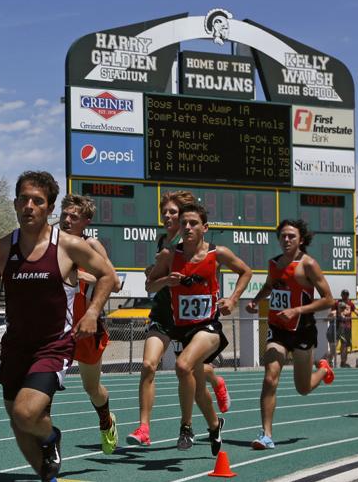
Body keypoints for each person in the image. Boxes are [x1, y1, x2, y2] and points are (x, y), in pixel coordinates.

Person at [0, 171, 117, 482]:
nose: (29, 206)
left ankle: (52, 436)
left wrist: (92, 312)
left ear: (49, 208)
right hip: (15, 346)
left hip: (53, 344)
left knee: (25, 413)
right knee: (19, 423)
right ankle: (48, 481)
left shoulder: (67, 245)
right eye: (24, 199)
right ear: (15, 203)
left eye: (38, 201)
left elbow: (109, 276)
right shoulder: (1, 247)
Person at [144, 202, 251, 457]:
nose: (188, 227)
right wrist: (166, 281)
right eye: (184, 223)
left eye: (193, 223)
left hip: (208, 327)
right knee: (199, 388)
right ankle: (214, 425)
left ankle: (186, 427)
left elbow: (246, 271)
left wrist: (233, 299)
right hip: (183, 329)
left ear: (205, 227)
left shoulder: (217, 253)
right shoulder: (170, 255)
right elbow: (150, 286)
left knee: (182, 366)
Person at [126, 191, 231, 449]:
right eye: (164, 213)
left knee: (191, 374)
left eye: (173, 212)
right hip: (164, 315)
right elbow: (152, 281)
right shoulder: (165, 245)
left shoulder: (195, 244)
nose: (168, 217)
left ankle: (214, 392)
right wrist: (157, 275)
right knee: (149, 365)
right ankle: (144, 428)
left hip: (191, 322)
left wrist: (232, 297)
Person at [244, 220, 336, 448]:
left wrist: (297, 310)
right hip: (278, 330)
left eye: (291, 236)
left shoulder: (309, 265)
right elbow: (269, 286)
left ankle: (324, 369)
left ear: (301, 240)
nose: (286, 240)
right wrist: (255, 301)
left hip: (303, 330)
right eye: (283, 236)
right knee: (270, 377)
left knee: (303, 388)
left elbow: (328, 299)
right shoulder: (274, 263)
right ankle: (266, 435)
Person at [58, 194, 123, 454]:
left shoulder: (91, 245)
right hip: (56, 325)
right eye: (64, 214)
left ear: (86, 221)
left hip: (85, 327)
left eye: (74, 216)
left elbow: (115, 283)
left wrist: (80, 275)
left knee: (91, 388)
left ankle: (106, 420)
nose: (66, 219)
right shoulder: (51, 243)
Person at [330, 290, 358, 368]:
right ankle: (330, 361)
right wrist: (336, 315)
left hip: (347, 327)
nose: (345, 296)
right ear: (341, 295)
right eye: (344, 294)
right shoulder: (337, 303)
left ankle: (343, 362)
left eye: (347, 294)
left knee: (345, 345)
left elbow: (355, 310)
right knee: (334, 344)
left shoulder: (350, 303)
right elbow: (333, 312)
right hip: (338, 326)